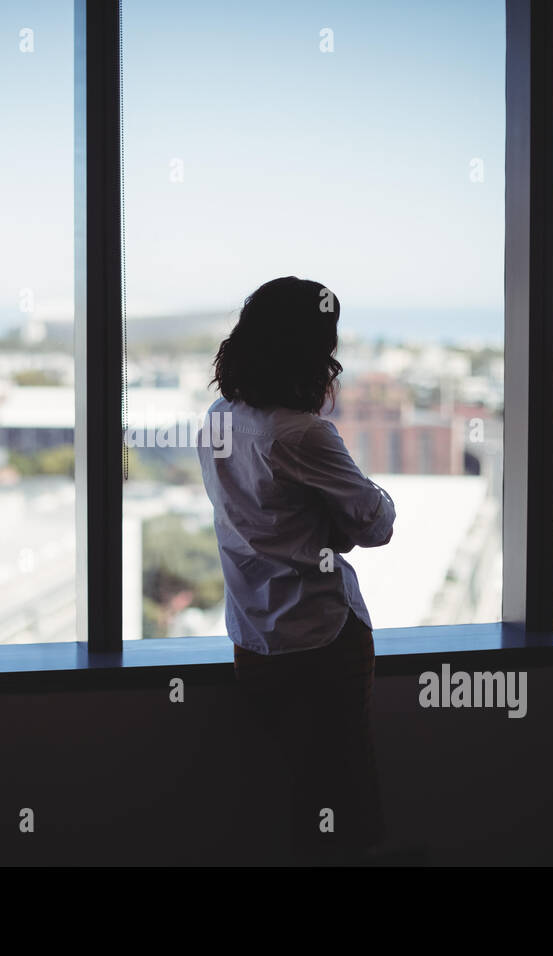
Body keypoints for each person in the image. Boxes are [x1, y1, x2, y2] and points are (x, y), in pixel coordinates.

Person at [197, 276, 396, 865]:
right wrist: (337, 520)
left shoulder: (217, 418)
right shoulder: (304, 433)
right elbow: (377, 524)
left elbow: (256, 519)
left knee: (279, 795)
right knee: (343, 796)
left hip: (254, 640)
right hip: (321, 639)